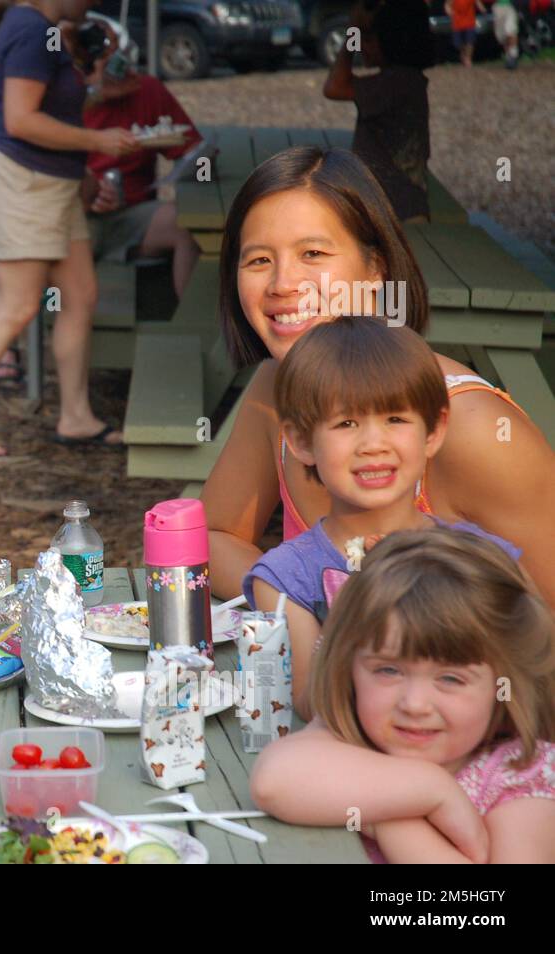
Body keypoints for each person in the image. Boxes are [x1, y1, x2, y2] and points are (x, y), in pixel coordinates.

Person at [199, 146, 555, 608]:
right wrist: (306, 603)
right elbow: (209, 536)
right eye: (259, 261)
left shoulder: (474, 429)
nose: (283, 283)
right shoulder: (276, 386)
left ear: (376, 270)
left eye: (313, 253)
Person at [241, 318, 519, 719]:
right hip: (355, 762)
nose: (373, 445)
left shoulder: (477, 556)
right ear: (302, 441)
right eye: (346, 423)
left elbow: (518, 676)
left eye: (395, 419)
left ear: (433, 432)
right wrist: (372, 594)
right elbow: (311, 702)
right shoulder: (286, 577)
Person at [250, 528, 555, 863]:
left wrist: (389, 818)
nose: (414, 704)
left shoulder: (521, 776)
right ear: (349, 668)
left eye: (451, 678)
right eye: (389, 671)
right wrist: (432, 791)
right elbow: (273, 781)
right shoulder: (356, 733)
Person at [0, 0, 129, 456]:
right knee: (18, 304)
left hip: (56, 184)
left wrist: (94, 81)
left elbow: (57, 105)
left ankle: (76, 417)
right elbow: (21, 118)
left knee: (80, 295)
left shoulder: (41, 28)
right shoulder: (30, 31)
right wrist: (99, 141)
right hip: (21, 182)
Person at [82, 48, 204, 297]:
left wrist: (202, 176)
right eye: (101, 54)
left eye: (115, 50)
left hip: (135, 216)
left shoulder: (146, 90)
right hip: (76, 220)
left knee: (190, 224)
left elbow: (199, 154)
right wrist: (89, 195)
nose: (114, 63)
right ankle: (42, 326)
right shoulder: (57, 99)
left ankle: (192, 326)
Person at [323, 0, 434, 222]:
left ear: (392, 42)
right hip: (402, 205)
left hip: (395, 211)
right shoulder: (408, 80)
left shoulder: (394, 83)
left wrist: (352, 33)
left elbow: (334, 87)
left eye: (369, 38)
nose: (363, 45)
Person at [452, 0, 488, 66]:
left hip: (469, 23)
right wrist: (450, 12)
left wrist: (483, 9)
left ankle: (468, 58)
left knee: (470, 42)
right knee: (459, 44)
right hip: (457, 23)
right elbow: (447, 5)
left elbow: (478, 2)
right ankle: (463, 55)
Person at [493, 0, 521, 68]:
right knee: (502, 36)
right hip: (497, 7)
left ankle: (513, 55)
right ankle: (508, 56)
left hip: (510, 6)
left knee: (510, 30)